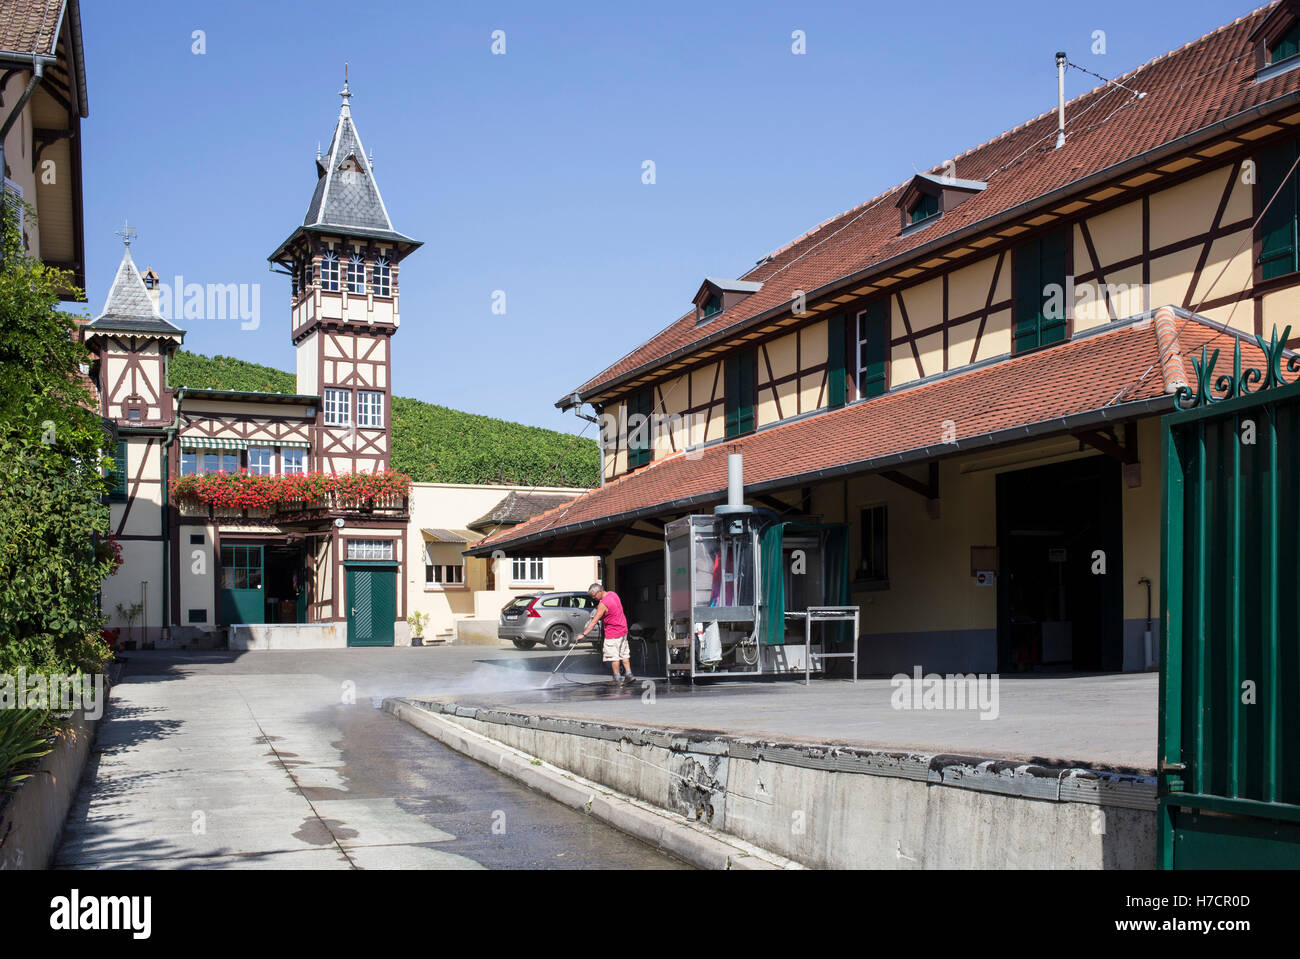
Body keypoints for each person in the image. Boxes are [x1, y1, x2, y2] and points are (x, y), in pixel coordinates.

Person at [580, 582, 633, 685]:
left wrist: (584, 634)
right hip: (623, 630)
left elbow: (594, 621)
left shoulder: (603, 604)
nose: (594, 598)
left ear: (599, 591)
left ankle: (617, 678)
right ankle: (629, 674)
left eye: (594, 595)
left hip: (613, 633)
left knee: (614, 657)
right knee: (624, 653)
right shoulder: (613, 594)